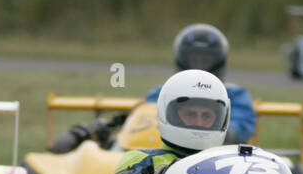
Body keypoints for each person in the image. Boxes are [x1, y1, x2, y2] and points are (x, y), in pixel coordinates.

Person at [50, 23, 255, 153]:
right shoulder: (162, 93)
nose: (199, 65)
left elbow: (240, 130)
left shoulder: (234, 96)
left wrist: (203, 130)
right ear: (182, 59)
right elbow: (143, 121)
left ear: (218, 61)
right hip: (159, 154)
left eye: (205, 60)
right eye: (194, 59)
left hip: (216, 156)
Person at [102, 69, 230, 174]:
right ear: (169, 114)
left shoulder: (229, 164)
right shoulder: (143, 160)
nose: (199, 123)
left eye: (207, 116)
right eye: (190, 115)